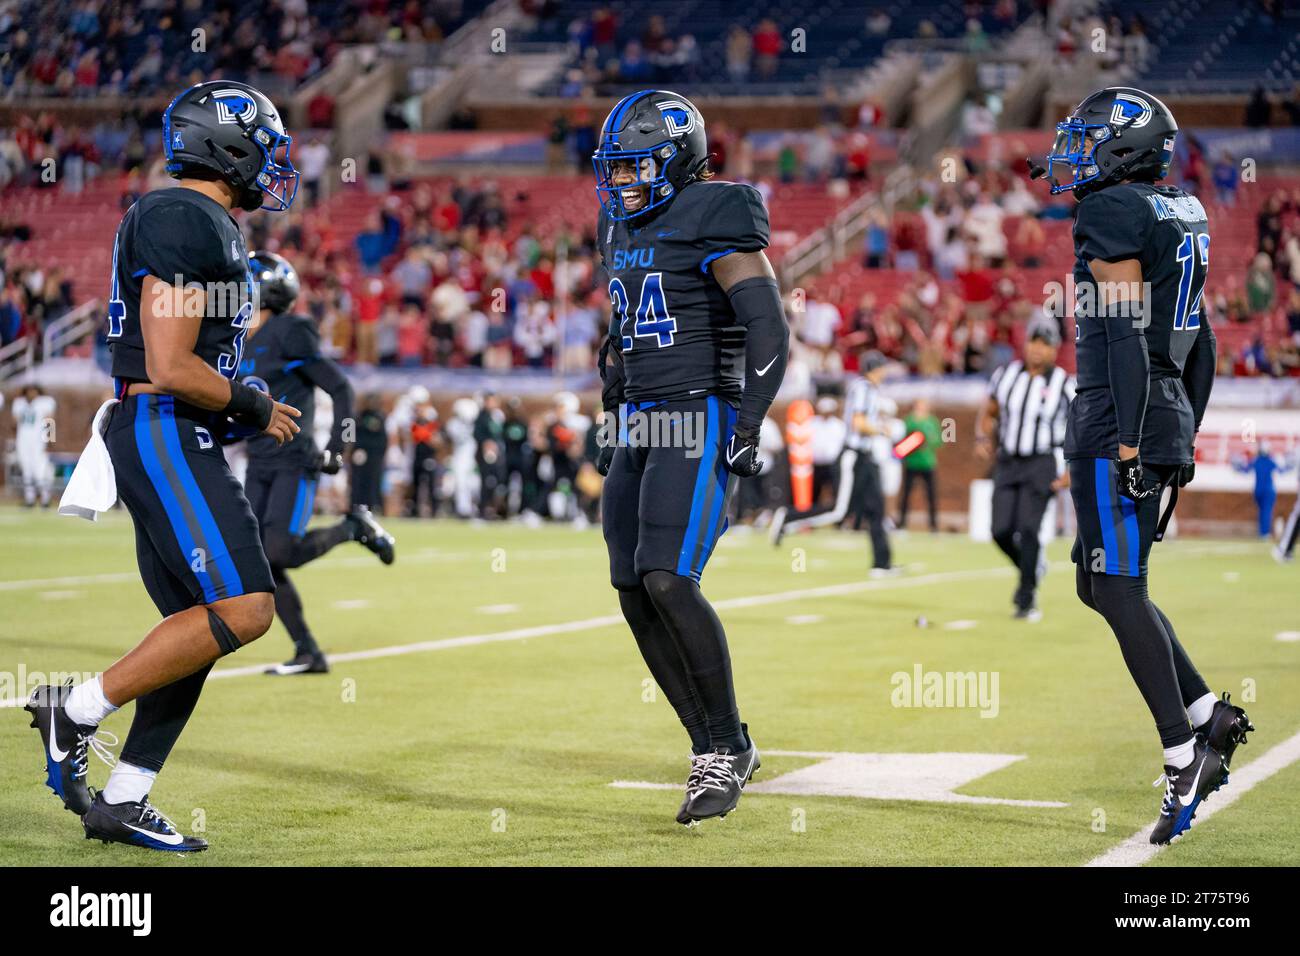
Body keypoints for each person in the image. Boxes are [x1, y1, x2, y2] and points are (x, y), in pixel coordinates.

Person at [27, 81, 304, 852]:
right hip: (166, 425)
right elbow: (171, 362)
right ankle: (74, 710)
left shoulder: (193, 215)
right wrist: (248, 402)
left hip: (172, 427)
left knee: (197, 627)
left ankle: (124, 797)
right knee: (247, 608)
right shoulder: (185, 215)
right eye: (266, 146)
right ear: (229, 146)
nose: (275, 163)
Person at [1034, 86, 1253, 845]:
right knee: (1094, 581)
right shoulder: (1179, 208)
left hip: (1117, 413)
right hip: (1160, 405)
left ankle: (1182, 753)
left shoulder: (1111, 213)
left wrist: (1131, 443)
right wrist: (1182, 428)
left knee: (1120, 586)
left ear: (1124, 148)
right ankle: (1205, 715)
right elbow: (1205, 338)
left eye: (1087, 139)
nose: (1074, 153)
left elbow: (1126, 337)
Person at [593, 90, 789, 825]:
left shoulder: (718, 210)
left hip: (696, 411)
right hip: (640, 419)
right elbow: (625, 331)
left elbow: (766, 325)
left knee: (669, 578)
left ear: (677, 159)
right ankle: (716, 741)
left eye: (634, 167)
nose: (620, 183)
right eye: (613, 169)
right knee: (631, 586)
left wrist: (748, 421)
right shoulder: (618, 224)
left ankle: (722, 747)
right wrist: (610, 402)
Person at [238, 251, 395, 677]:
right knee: (261, 561)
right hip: (258, 461)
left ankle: (352, 526)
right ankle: (308, 651)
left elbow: (340, 387)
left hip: (295, 459)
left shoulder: (290, 331)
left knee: (279, 552)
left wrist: (337, 447)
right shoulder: (239, 337)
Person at [976, 323, 1074, 619]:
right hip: (1008, 461)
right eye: (1033, 341)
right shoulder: (1005, 376)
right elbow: (990, 410)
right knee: (1000, 531)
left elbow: (1077, 428)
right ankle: (1032, 567)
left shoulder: (1063, 383)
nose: (1037, 348)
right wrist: (982, 436)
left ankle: (1026, 597)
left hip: (1042, 462)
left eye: (1044, 343)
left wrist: (1071, 468)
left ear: (1054, 349)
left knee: (1030, 529)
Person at [770, 351, 895, 575]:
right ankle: (787, 518)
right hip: (853, 456)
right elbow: (858, 423)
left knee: (876, 507)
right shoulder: (863, 388)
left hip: (866, 456)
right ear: (875, 369)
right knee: (840, 511)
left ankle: (882, 563)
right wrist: (881, 429)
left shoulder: (870, 390)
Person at [898, 397, 941, 533]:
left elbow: (940, 441)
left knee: (931, 495)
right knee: (906, 494)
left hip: (928, 463)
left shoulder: (933, 421)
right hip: (912, 463)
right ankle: (902, 524)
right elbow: (902, 441)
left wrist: (927, 442)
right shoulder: (908, 420)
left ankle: (933, 526)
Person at [12, 383, 56, 507]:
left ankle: (45, 498)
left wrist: (50, 440)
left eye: (34, 391)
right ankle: (29, 498)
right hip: (23, 440)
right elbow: (15, 422)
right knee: (27, 469)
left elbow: (50, 421)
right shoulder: (19, 403)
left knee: (41, 468)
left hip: (39, 440)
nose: (31, 394)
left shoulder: (45, 402)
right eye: (29, 391)